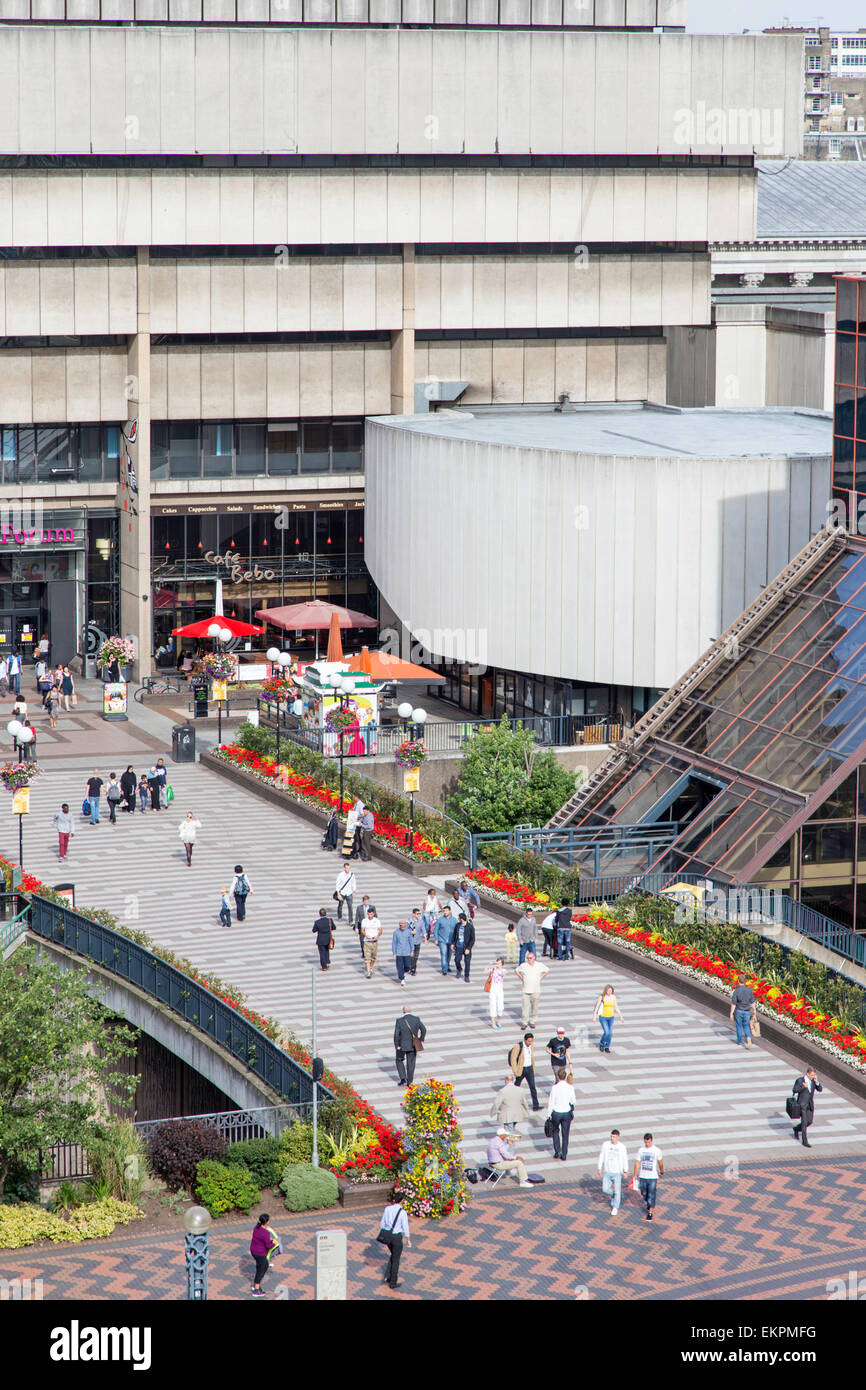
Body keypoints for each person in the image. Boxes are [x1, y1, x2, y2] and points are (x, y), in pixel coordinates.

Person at [377, 1198, 410, 1289]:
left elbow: (382, 1223)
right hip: (396, 1237)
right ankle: (393, 1282)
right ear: (402, 1201)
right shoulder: (402, 1212)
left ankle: (388, 1276)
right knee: (396, 1259)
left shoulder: (387, 1209)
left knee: (393, 1255)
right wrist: (408, 1238)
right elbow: (405, 1226)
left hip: (388, 1236)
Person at [633, 1132, 664, 1222]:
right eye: (646, 1142)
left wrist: (662, 1171)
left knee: (651, 1194)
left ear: (651, 1140)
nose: (647, 1144)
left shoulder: (657, 1150)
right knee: (644, 1192)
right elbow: (637, 1162)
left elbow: (660, 1162)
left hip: (653, 1176)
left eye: (649, 1142)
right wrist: (635, 1174)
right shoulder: (641, 1150)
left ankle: (650, 1212)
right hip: (643, 1175)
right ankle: (648, 1202)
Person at [546, 1067, 576, 1161]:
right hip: (566, 1113)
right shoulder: (570, 1087)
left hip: (556, 1113)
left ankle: (557, 1151)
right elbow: (573, 1101)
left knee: (555, 1131)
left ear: (558, 1077)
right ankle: (564, 1154)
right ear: (565, 1076)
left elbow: (551, 1101)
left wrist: (549, 1114)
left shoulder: (554, 1088)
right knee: (565, 1134)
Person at [514, 949, 549, 1030]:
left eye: (530, 958)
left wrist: (541, 977)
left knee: (534, 1007)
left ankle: (532, 1021)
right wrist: (521, 978)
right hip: (526, 990)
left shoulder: (539, 965)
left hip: (536, 990)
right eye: (528, 958)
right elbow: (516, 970)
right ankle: (524, 1023)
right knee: (525, 1008)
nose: (529, 959)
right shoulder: (524, 965)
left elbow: (547, 970)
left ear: (534, 958)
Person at [598, 1129, 629, 1216]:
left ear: (618, 1137)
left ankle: (615, 1207)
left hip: (617, 1173)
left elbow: (624, 1159)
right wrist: (599, 1167)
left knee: (617, 1191)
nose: (612, 1138)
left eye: (614, 1137)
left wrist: (625, 1171)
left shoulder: (622, 1147)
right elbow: (602, 1156)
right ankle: (614, 1196)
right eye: (611, 1136)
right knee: (605, 1189)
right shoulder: (606, 1145)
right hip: (607, 1171)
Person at [393, 1002, 426, 1086]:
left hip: (402, 1045)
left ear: (403, 1011)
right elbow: (424, 1029)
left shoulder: (399, 1021)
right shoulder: (416, 1019)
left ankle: (403, 1078)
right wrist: (420, 1039)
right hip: (413, 1045)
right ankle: (410, 1082)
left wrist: (397, 1045)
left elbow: (396, 1034)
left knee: (399, 1060)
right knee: (411, 1064)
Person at [509, 1031, 541, 1111]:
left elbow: (531, 1057)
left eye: (531, 1041)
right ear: (525, 1040)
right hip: (521, 1069)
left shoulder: (531, 1046)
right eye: (529, 1041)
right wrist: (515, 1070)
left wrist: (533, 1068)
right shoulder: (518, 1046)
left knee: (533, 1087)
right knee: (516, 1086)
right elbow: (513, 1059)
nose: (530, 1043)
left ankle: (535, 1105)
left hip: (529, 1068)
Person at [792, 1067, 822, 1147]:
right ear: (807, 1074)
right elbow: (794, 1090)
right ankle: (804, 1141)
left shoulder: (813, 1081)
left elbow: (820, 1089)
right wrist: (803, 1087)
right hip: (802, 1105)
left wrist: (817, 1082)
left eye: (814, 1075)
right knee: (804, 1123)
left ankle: (796, 1129)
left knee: (809, 1122)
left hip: (810, 1105)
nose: (813, 1077)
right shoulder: (800, 1080)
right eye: (812, 1075)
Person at [249, 1213, 278, 1297]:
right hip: (260, 1254)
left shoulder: (256, 1228)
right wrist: (274, 1243)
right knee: (261, 1270)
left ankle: (255, 1286)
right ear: (267, 1222)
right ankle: (256, 1289)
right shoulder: (265, 1233)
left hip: (254, 1251)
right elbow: (269, 1246)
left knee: (264, 1266)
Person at [593, 984, 624, 1053]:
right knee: (606, 1032)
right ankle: (602, 1043)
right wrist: (594, 1016)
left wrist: (621, 1016)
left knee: (610, 1033)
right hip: (603, 1017)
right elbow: (597, 1007)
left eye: (611, 990)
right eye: (608, 991)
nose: (609, 992)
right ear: (606, 991)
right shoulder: (602, 997)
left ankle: (607, 1046)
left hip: (611, 1017)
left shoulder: (613, 997)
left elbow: (616, 1007)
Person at [730, 972, 756, 1050]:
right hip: (747, 1011)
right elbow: (752, 1002)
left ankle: (739, 1042)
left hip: (739, 1011)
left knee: (738, 1026)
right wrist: (754, 1011)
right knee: (746, 1026)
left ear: (738, 981)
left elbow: (733, 1004)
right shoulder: (749, 990)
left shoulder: (736, 991)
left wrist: (731, 1013)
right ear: (745, 981)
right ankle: (748, 1038)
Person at [434, 905, 457, 975]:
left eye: (447, 911)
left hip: (451, 940)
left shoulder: (454, 920)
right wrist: (436, 939)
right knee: (443, 954)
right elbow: (436, 929)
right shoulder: (440, 920)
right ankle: (444, 969)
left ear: (450, 911)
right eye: (444, 911)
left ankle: (447, 966)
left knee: (449, 954)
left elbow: (457, 930)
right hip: (442, 940)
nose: (445, 912)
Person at [453, 911, 475, 981]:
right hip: (458, 946)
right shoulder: (457, 925)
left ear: (462, 919)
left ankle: (466, 975)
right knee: (457, 960)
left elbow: (473, 938)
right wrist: (453, 943)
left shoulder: (470, 927)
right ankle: (459, 969)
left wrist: (468, 948)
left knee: (467, 962)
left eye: (459, 918)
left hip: (466, 947)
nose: (458, 920)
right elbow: (454, 935)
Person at [391, 919, 414, 986]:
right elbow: (394, 943)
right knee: (399, 966)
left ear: (405, 924)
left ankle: (403, 972)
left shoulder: (408, 932)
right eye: (401, 924)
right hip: (399, 952)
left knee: (407, 966)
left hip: (407, 952)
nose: (402, 925)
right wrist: (394, 953)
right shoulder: (396, 932)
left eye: (403, 923)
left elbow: (411, 942)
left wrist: (412, 950)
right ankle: (402, 978)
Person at [362, 907, 383, 978]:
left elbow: (380, 930)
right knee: (367, 957)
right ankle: (368, 972)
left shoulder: (377, 921)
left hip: (374, 941)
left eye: (371, 914)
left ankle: (370, 967)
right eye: (369, 914)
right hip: (367, 941)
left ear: (373, 914)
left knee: (373, 957)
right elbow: (362, 930)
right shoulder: (364, 920)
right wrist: (365, 935)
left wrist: (378, 935)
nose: (370, 915)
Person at [487, 956, 505, 1029]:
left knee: (500, 1007)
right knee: (493, 1006)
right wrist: (489, 964)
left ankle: (498, 1020)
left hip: (500, 990)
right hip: (492, 990)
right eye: (497, 962)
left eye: (500, 963)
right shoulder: (493, 969)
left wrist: (499, 967)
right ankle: (493, 1023)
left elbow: (504, 974)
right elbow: (484, 971)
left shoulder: (503, 970)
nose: (498, 964)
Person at [408, 907, 425, 975]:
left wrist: (425, 936)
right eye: (417, 914)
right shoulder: (409, 921)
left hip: (418, 941)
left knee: (416, 956)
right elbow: (405, 930)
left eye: (419, 914)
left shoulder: (421, 921)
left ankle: (413, 968)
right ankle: (412, 969)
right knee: (411, 956)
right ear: (413, 914)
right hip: (411, 942)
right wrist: (411, 932)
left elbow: (423, 929)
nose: (419, 915)